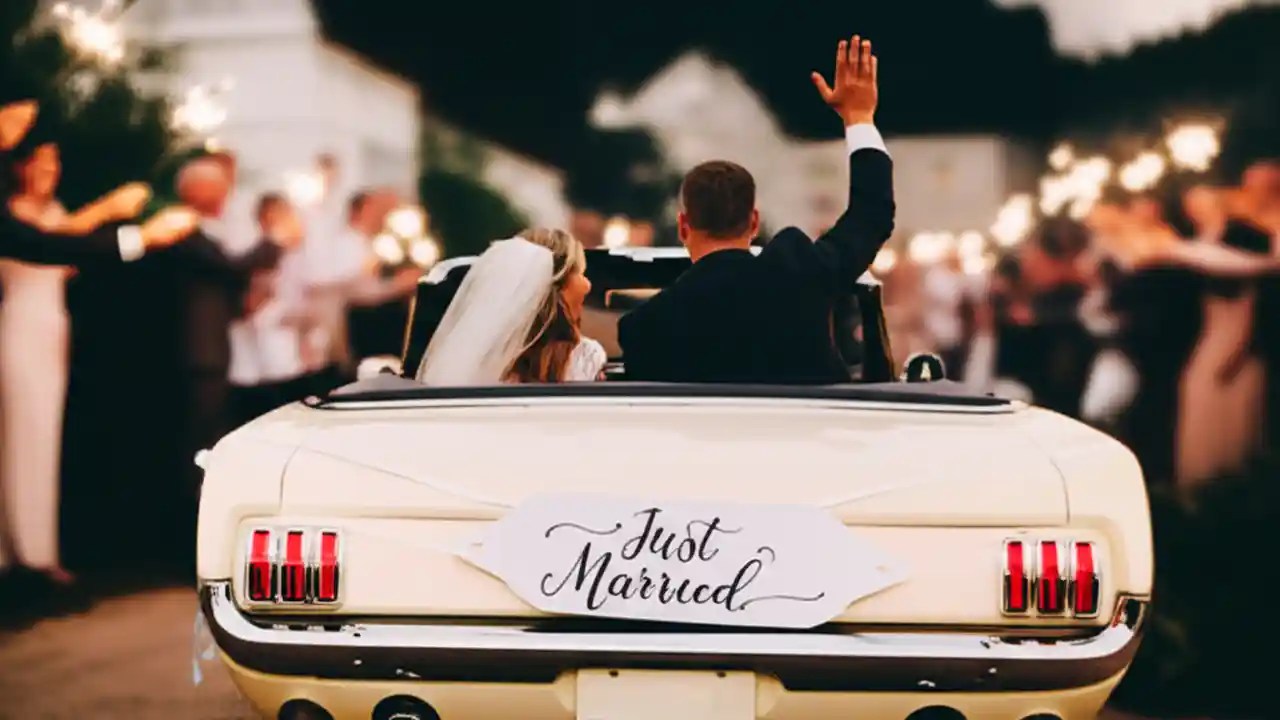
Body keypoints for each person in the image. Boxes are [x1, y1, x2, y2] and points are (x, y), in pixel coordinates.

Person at [618, 35, 894, 384]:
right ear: (753, 221)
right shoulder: (798, 270)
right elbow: (872, 215)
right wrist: (859, 118)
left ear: (684, 226)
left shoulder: (643, 328)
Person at [0, 100, 198, 267]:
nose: (24, 117)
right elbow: (41, 246)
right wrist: (142, 238)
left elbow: (59, 246)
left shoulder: (53, 209)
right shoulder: (14, 209)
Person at [416, 228, 605, 385]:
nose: (587, 284)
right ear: (556, 286)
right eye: (578, 271)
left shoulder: (462, 358)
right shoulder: (584, 357)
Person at [228, 193, 317, 425]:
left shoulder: (298, 255)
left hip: (294, 354)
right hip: (263, 357)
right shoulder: (255, 254)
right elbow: (249, 304)